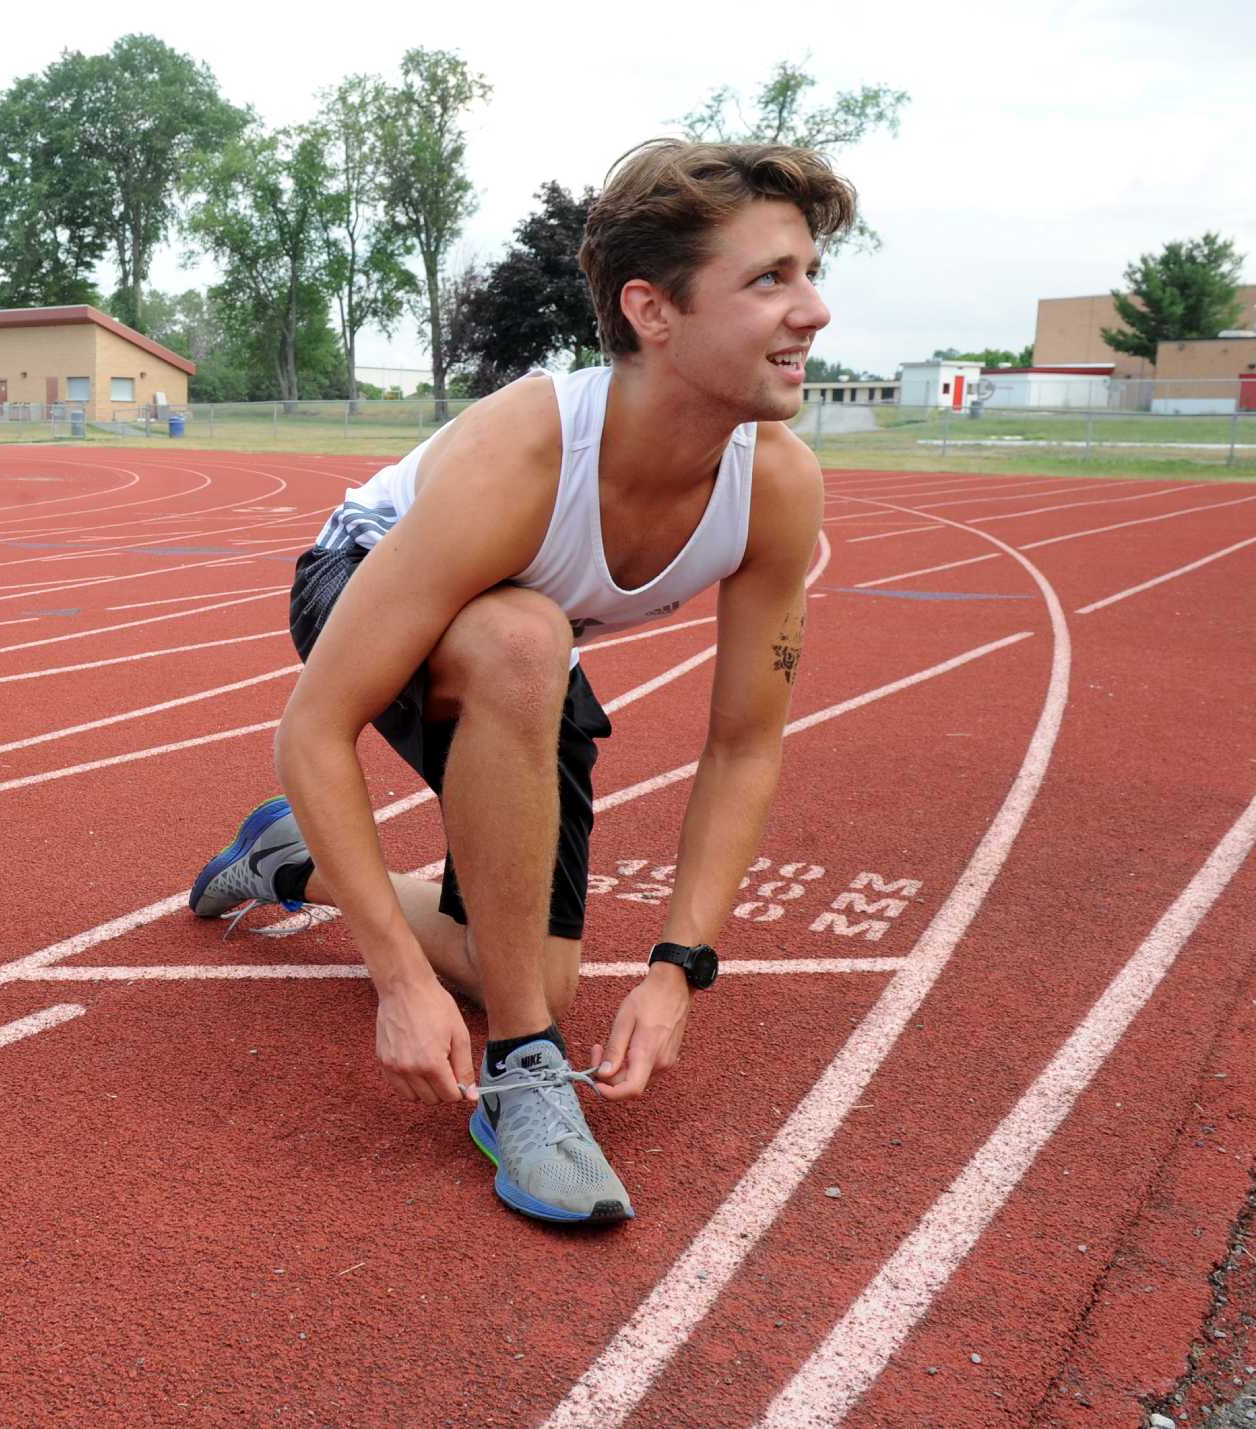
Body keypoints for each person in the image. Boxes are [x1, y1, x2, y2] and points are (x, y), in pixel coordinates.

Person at [188, 139, 853, 1224]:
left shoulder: (774, 485)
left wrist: (678, 966)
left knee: (532, 978)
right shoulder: (526, 454)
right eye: (769, 278)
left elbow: (743, 742)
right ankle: (525, 1082)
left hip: (516, 651)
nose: (812, 309)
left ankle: (285, 862)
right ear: (651, 310)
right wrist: (395, 978)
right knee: (526, 638)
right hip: (364, 578)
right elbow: (314, 727)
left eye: (810, 273)